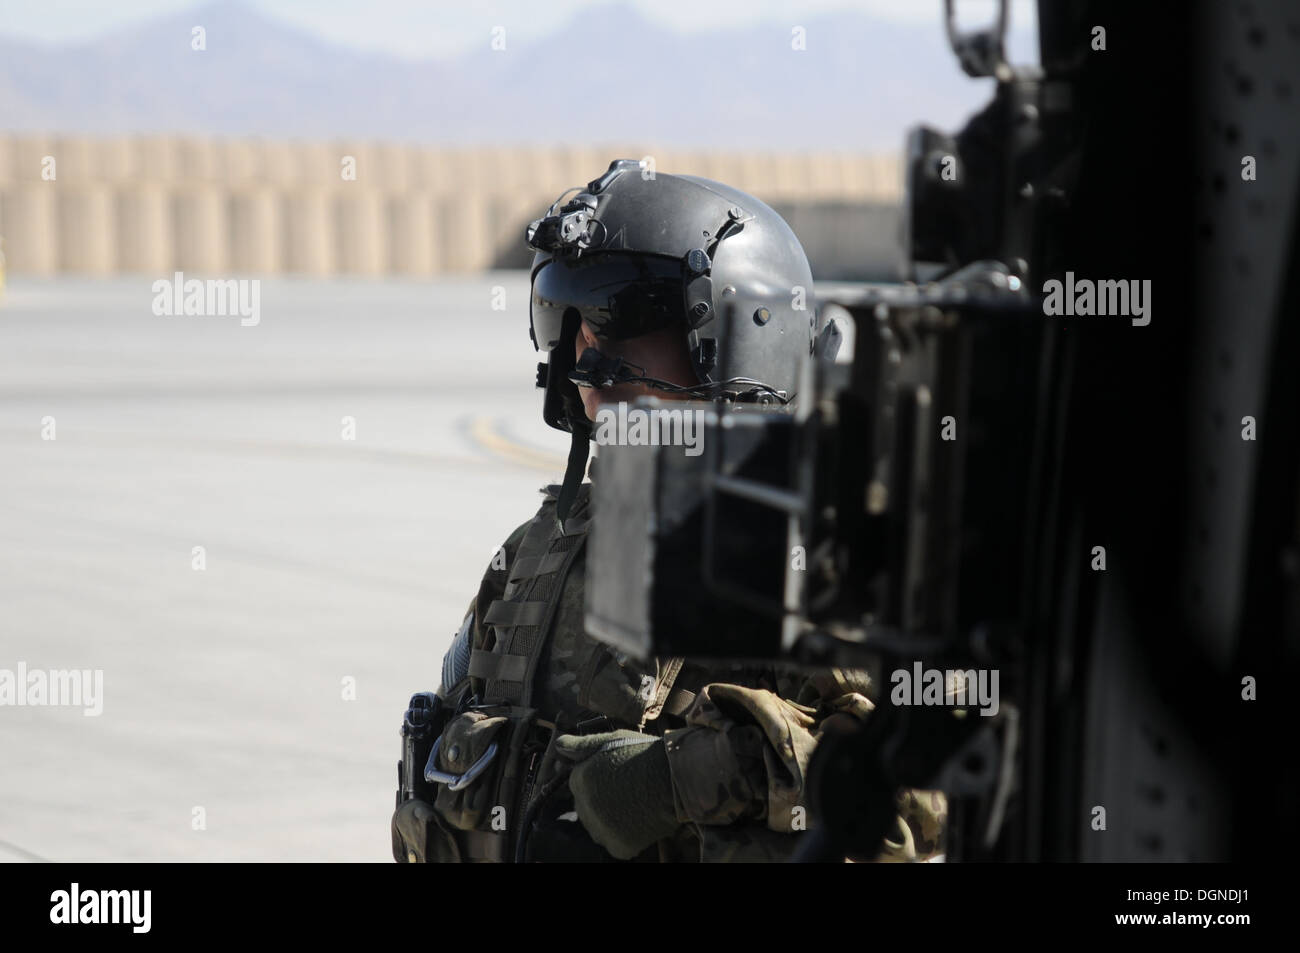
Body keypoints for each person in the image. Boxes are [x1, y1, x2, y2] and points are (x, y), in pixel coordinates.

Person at [391, 159, 945, 862]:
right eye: (579, 327)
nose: (591, 364)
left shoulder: (808, 563)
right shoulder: (538, 550)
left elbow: (911, 800)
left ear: (743, 346)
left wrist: (670, 782)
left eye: (624, 325)